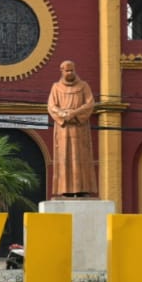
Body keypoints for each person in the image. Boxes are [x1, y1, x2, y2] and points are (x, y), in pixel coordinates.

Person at [47, 60, 97, 197]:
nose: (70, 73)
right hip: (63, 130)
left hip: (80, 129)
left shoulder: (84, 86)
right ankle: (65, 190)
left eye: (72, 70)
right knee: (64, 158)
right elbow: (51, 106)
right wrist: (63, 115)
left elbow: (90, 104)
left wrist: (74, 113)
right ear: (61, 71)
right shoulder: (56, 87)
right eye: (67, 70)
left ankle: (83, 189)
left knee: (81, 158)